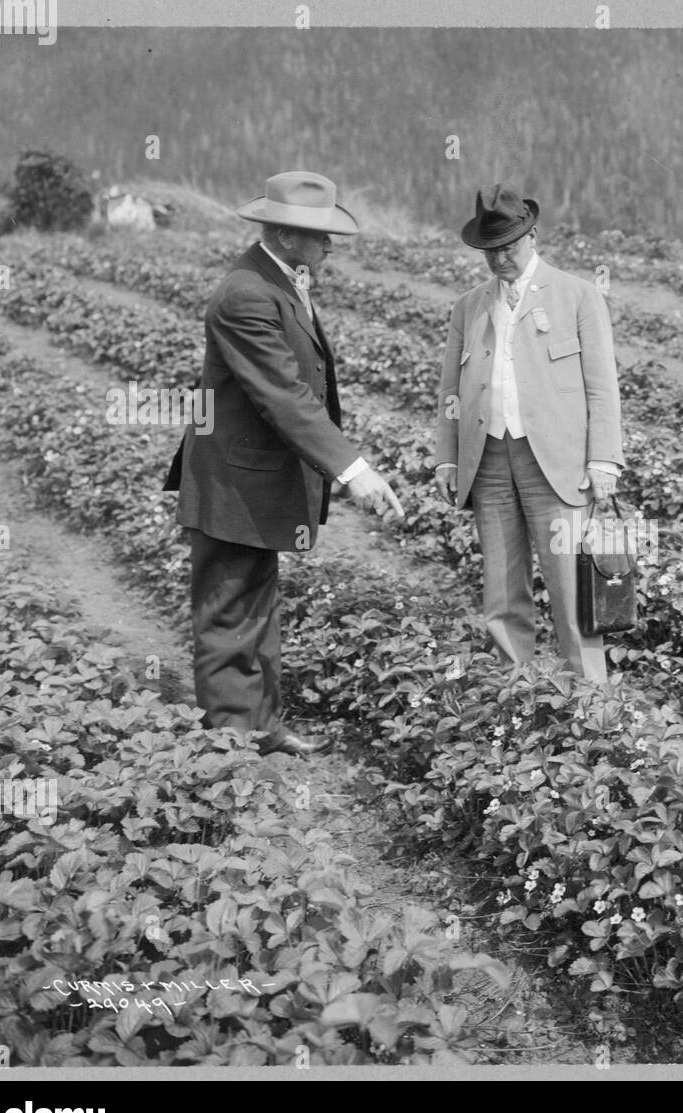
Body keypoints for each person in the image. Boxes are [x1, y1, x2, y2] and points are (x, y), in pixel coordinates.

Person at [164, 171, 402, 756]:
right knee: (228, 612)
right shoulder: (247, 292)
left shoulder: (279, 278)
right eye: (321, 235)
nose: (330, 246)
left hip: (255, 477)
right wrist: (352, 469)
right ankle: (228, 749)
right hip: (233, 482)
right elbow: (283, 395)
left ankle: (260, 726)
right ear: (289, 234)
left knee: (256, 602)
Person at [433, 184, 625, 682]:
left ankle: (588, 701)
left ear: (532, 236)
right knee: (500, 587)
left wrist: (603, 459)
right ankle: (515, 691)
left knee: (570, 586)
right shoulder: (468, 307)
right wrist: (447, 457)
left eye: (509, 247)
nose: (499, 259)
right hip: (489, 459)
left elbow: (602, 387)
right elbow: (450, 390)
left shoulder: (578, 296)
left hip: (556, 461)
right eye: (490, 250)